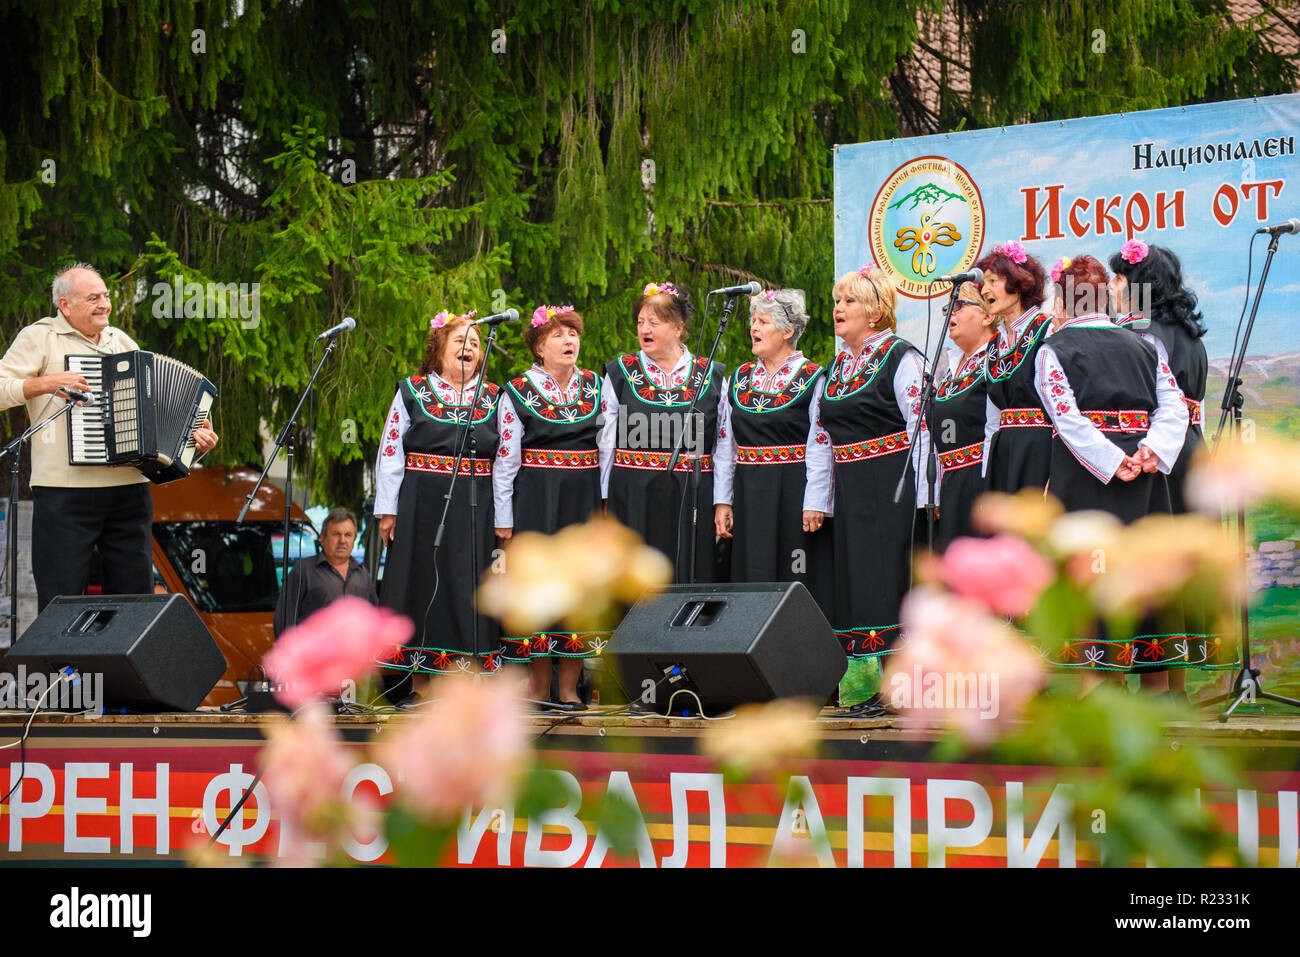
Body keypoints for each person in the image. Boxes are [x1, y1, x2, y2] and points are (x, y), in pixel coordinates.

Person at [0, 264, 218, 612]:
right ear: (65, 304)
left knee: (135, 600)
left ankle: (123, 669)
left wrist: (196, 438)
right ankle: (64, 669)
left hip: (128, 492)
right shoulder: (39, 337)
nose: (104, 304)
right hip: (65, 494)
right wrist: (46, 383)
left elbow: (156, 412)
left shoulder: (122, 342)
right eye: (93, 298)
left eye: (106, 296)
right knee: (61, 599)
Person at [1033, 255, 1188, 689]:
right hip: (1142, 477)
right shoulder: (1145, 345)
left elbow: (1066, 417)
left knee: (1092, 578)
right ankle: (1157, 696)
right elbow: (1173, 405)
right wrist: (1149, 450)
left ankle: (1100, 693)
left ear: (1065, 301)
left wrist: (1114, 460)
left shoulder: (1052, 351)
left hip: (1088, 479)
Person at [818, 265, 933, 712]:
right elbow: (823, 439)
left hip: (893, 485)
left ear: (876, 310)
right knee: (864, 584)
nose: (838, 309)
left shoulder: (902, 358)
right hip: (852, 490)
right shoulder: (838, 367)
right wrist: (820, 501)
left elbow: (921, 431)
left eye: (849, 301)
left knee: (892, 582)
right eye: (837, 301)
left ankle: (903, 692)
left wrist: (925, 496)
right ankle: (883, 689)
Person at [1109, 240, 1219, 688]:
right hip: (1190, 449)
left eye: (1119, 278)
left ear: (1139, 284)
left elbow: (1151, 402)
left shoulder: (1142, 335)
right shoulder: (1191, 336)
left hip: (1156, 452)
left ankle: (1155, 688)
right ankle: (1175, 690)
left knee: (1152, 564)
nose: (1113, 286)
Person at [374, 311, 502, 686]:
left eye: (475, 344)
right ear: (440, 349)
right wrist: (388, 510)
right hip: (421, 503)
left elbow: (508, 458)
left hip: (474, 505)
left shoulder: (495, 398)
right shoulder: (413, 391)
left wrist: (503, 517)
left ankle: (461, 687)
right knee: (419, 582)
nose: (469, 348)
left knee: (464, 587)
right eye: (460, 341)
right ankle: (417, 685)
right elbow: (391, 451)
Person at [493, 304, 605, 709]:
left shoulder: (596, 385)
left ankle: (569, 691)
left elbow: (607, 450)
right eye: (557, 335)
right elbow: (505, 461)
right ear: (539, 347)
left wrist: (606, 504)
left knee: (577, 589)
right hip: (537, 499)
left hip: (583, 497)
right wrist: (503, 519)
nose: (568, 341)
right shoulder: (517, 390)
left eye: (572, 334)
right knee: (539, 587)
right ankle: (539, 689)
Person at [713, 288, 833, 615]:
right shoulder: (738, 378)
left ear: (788, 331)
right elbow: (726, 444)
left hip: (793, 492)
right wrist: (723, 500)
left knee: (794, 574)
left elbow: (820, 445)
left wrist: (816, 501)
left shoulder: (813, 378)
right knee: (751, 579)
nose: (753, 328)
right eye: (753, 320)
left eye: (763, 322)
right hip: (749, 493)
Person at [598, 282, 725, 583]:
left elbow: (722, 446)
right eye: (641, 322)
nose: (645, 329)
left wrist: (722, 501)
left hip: (691, 493)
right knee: (634, 578)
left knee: (688, 572)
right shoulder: (619, 372)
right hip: (633, 494)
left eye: (654, 322)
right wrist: (604, 498)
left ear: (678, 328)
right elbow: (605, 441)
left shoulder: (712, 374)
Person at [977, 241, 1052, 493]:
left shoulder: (1048, 330)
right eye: (983, 284)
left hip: (1041, 452)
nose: (985, 290)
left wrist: (1060, 472)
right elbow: (992, 420)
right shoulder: (994, 345)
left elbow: (1066, 409)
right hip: (1005, 454)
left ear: (1018, 284)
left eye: (993, 281)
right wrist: (987, 473)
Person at [933, 283, 998, 547]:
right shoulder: (950, 369)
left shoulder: (996, 361)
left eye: (959, 306)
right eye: (948, 308)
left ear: (987, 316)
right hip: (952, 484)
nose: (950, 314)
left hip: (982, 482)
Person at [273, 507, 378, 637]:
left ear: (354, 540)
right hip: (314, 656)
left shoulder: (362, 574)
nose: (342, 541)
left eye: (348, 535)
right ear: (322, 539)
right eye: (336, 534)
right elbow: (284, 620)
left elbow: (375, 621)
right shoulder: (304, 570)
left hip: (355, 656)